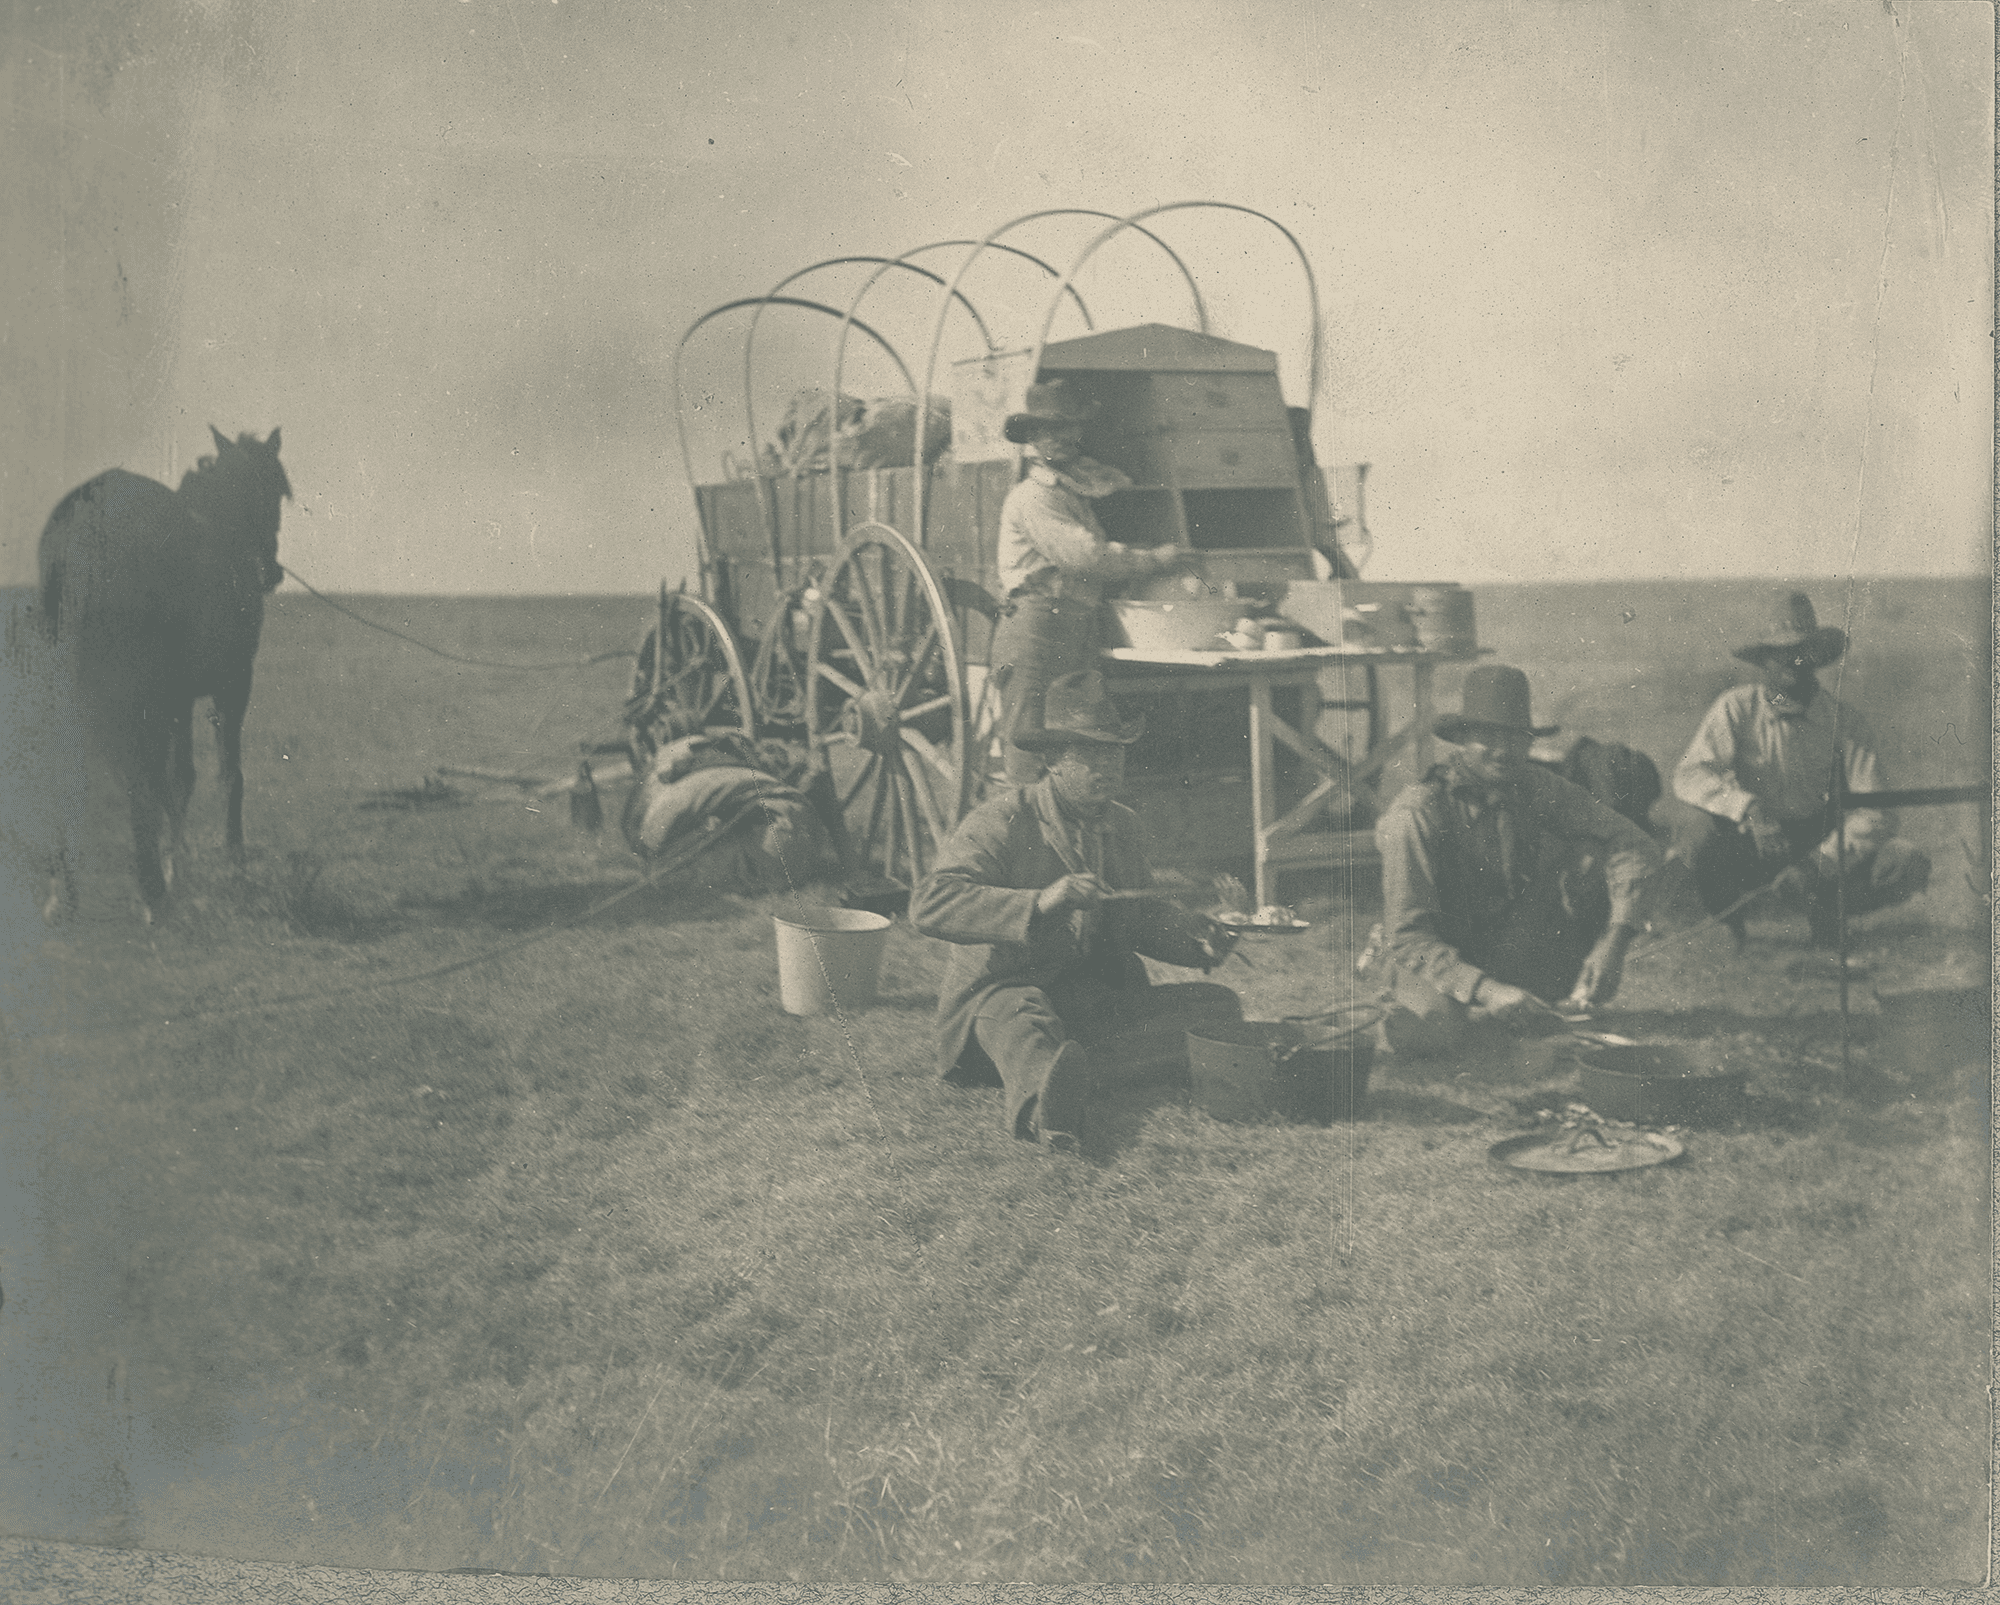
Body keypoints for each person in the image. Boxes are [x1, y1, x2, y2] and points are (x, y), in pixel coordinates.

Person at [910, 671, 1241, 1152]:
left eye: (1116, 752)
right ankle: (1046, 1105)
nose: (1107, 767)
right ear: (1052, 762)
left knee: (1219, 1007)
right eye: (1091, 755)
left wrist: (1215, 934)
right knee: (1021, 1017)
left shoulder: (1122, 826)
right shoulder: (1003, 821)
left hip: (1088, 1002)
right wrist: (1039, 902)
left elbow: (1141, 919)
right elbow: (929, 903)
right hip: (1004, 999)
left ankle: (1078, 1070)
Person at [1371, 665, 1664, 1058]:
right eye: (1487, 737)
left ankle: (1523, 1005)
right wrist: (1487, 990)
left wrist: (1615, 941)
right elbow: (1409, 938)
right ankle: (1421, 999)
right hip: (1429, 954)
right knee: (1433, 1034)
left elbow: (1634, 843)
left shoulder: (1538, 786)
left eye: (1515, 737)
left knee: (1596, 853)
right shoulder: (1416, 813)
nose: (1504, 750)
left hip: (1509, 945)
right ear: (1460, 740)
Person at [1671, 589, 1930, 948]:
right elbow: (1689, 775)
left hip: (1823, 843)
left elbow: (1877, 810)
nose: (1793, 662)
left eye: (1801, 653)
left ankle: (1826, 913)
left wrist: (1818, 863)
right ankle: (1734, 928)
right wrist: (1748, 808)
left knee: (1906, 862)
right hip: (1755, 842)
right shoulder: (1736, 708)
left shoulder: (1844, 721)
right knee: (1696, 834)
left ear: (1816, 658)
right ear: (1764, 661)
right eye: (1781, 654)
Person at [991, 380, 1187, 785]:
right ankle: (1028, 837)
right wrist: (1154, 560)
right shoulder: (1034, 497)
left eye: (1068, 429)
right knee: (1030, 745)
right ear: (1031, 438)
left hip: (1073, 624)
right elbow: (1085, 557)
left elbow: (1112, 491)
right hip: (1037, 628)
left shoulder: (1072, 488)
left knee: (1073, 744)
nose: (1061, 438)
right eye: (1049, 430)